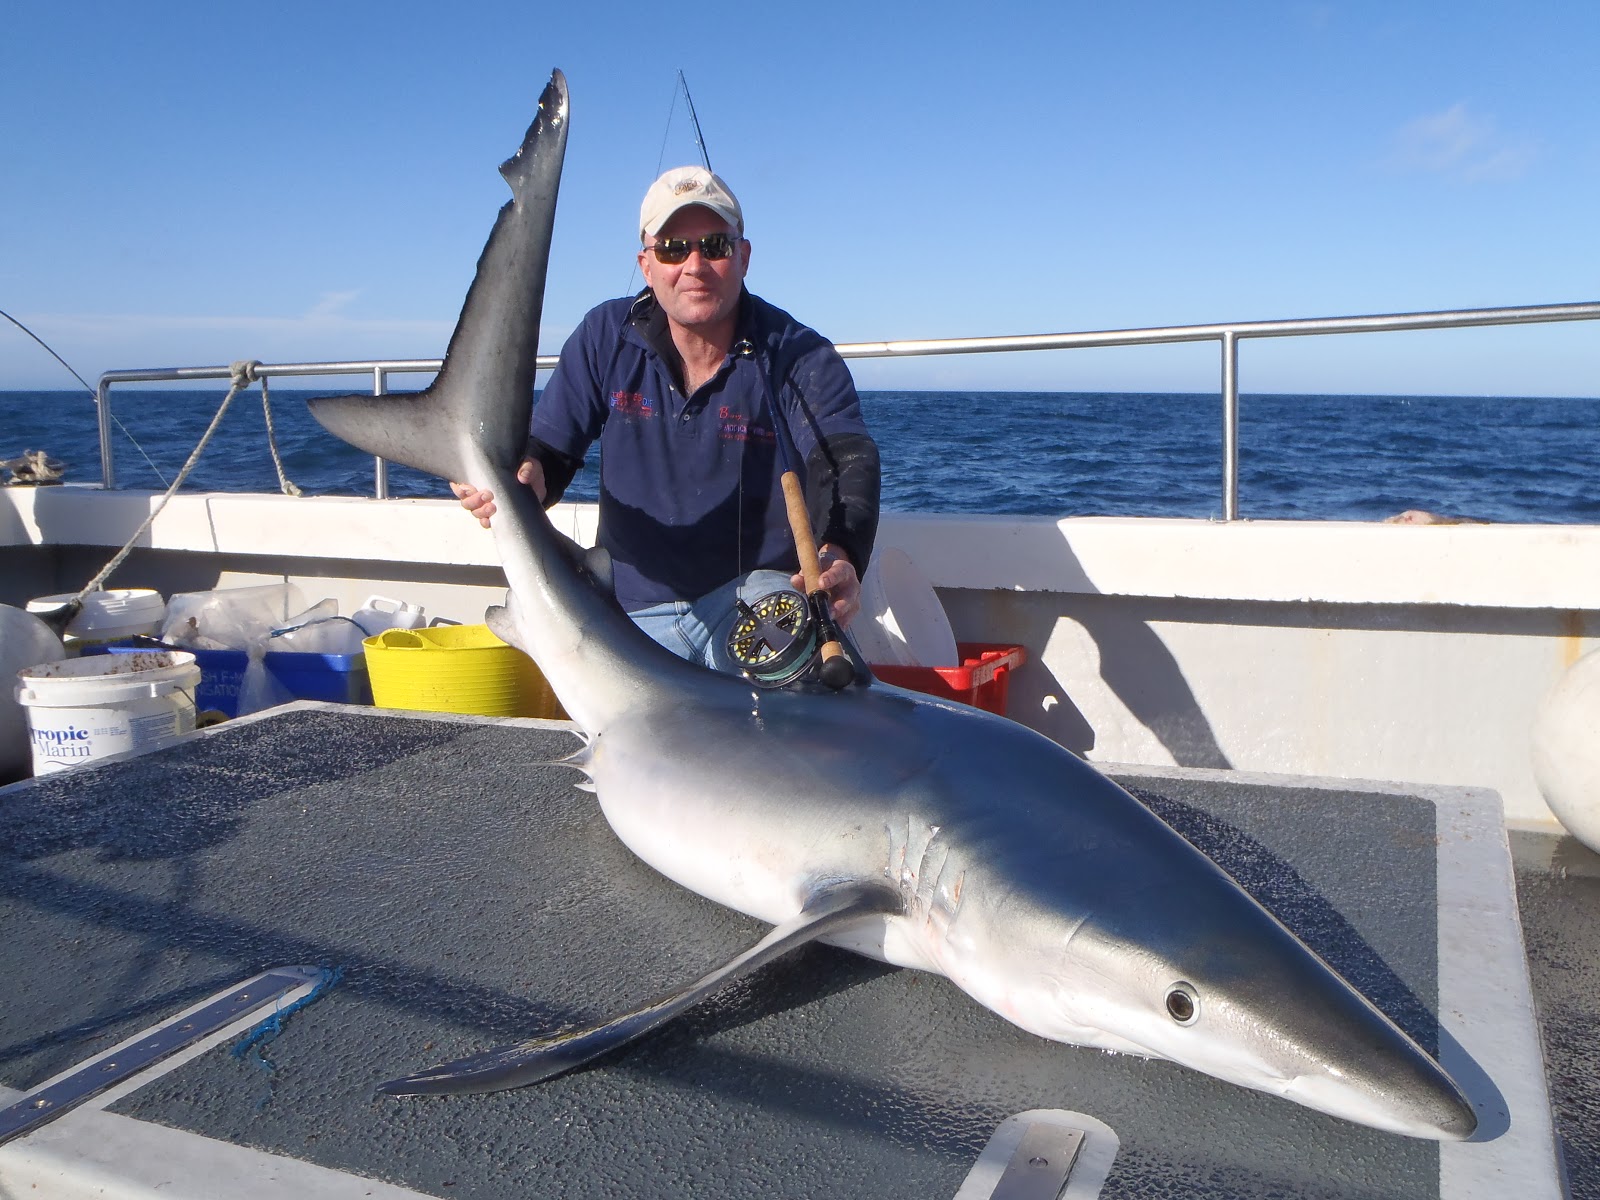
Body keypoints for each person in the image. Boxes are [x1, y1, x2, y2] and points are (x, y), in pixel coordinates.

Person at [454, 166, 880, 673]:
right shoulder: (605, 335)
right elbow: (551, 452)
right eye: (674, 248)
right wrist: (523, 478)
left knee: (826, 702)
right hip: (622, 609)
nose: (694, 265)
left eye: (715, 245)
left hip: (751, 601)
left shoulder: (799, 354)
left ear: (743, 257)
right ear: (646, 264)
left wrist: (840, 553)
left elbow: (844, 459)